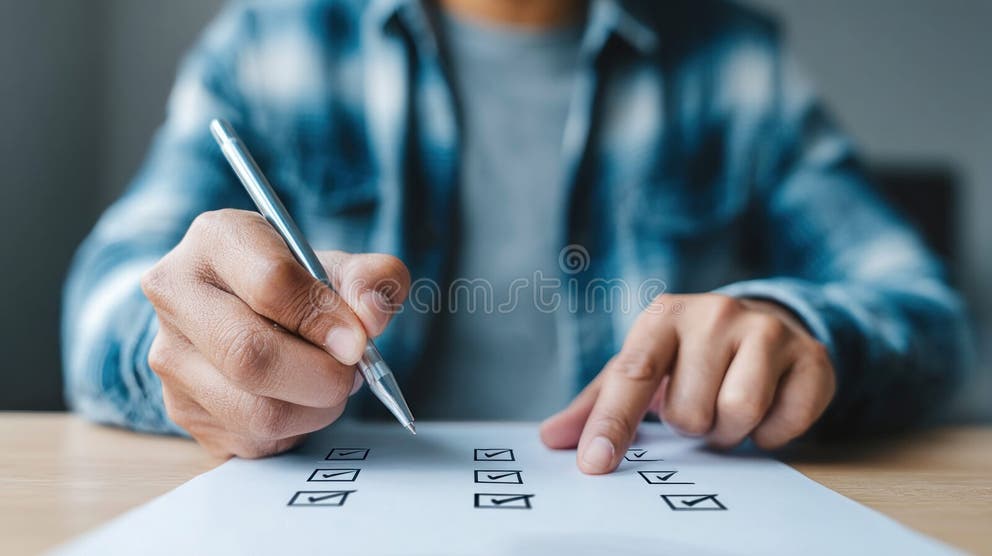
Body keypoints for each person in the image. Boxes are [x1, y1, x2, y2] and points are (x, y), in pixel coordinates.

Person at [62, 0, 970, 474]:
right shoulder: (269, 45)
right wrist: (188, 341)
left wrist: (790, 325)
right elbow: (114, 288)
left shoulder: (734, 65)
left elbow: (925, 310)